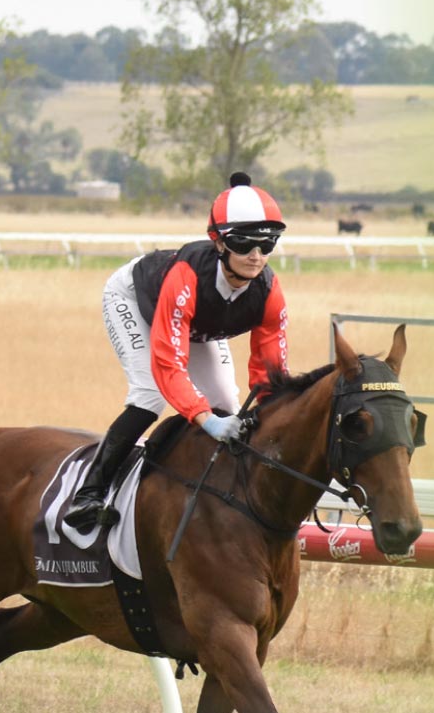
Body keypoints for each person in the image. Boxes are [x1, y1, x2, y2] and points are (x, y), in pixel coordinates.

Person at [61, 171, 291, 533]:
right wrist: (206, 419)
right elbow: (169, 365)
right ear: (219, 243)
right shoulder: (186, 276)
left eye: (267, 244)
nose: (256, 256)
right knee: (150, 395)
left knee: (227, 403)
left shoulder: (269, 291)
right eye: (245, 244)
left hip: (200, 323)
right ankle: (90, 493)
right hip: (139, 303)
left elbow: (269, 376)